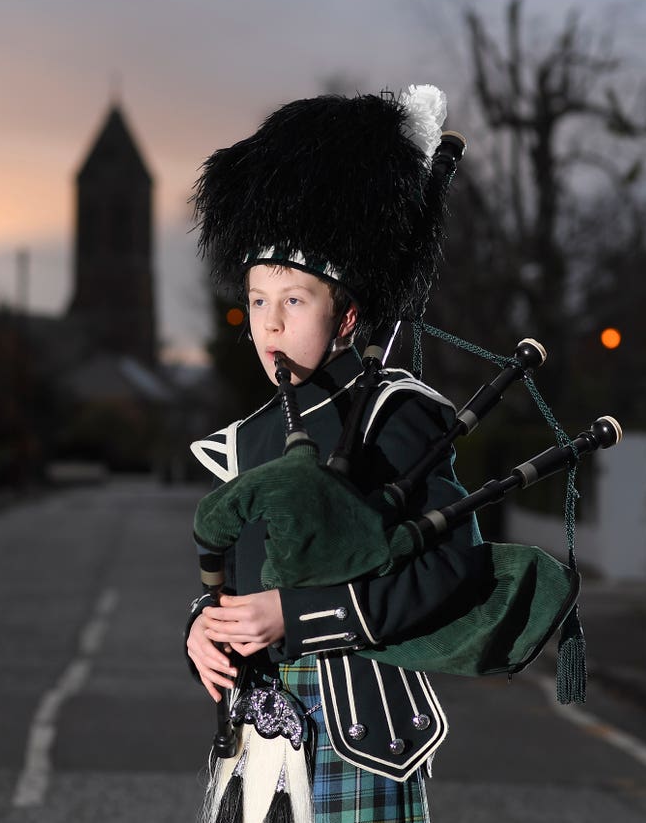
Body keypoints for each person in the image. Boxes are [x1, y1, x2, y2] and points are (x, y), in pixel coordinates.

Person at [184, 87, 483, 823]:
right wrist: (202, 626)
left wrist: (295, 614)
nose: (270, 324)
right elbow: (239, 583)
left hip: (358, 739)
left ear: (346, 312)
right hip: (254, 742)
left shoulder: (397, 414)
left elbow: (456, 568)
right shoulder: (254, 436)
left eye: (295, 300)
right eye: (258, 301)